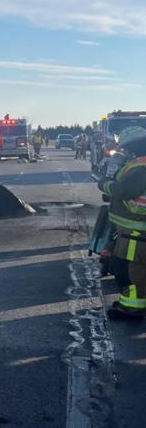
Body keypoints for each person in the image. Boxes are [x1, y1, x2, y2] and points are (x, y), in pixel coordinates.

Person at [97, 126, 146, 320]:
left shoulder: (141, 167)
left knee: (128, 268)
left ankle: (133, 309)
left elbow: (127, 191)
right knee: (127, 266)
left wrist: (106, 184)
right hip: (132, 229)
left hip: (137, 229)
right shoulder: (138, 165)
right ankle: (131, 305)